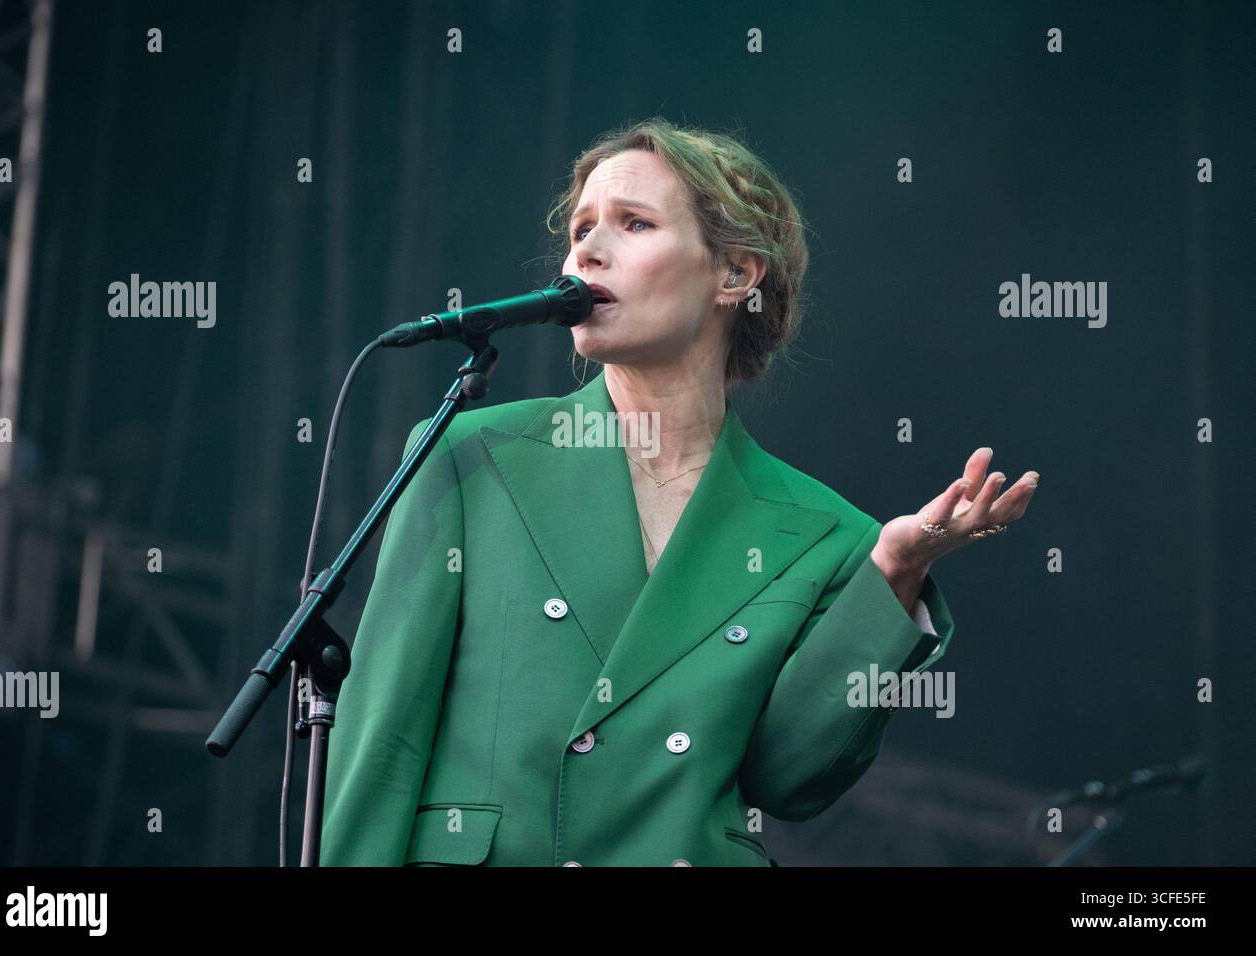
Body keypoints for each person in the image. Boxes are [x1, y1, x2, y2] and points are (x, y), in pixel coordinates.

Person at [320, 117, 1038, 866]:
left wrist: (894, 573)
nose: (588, 250)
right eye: (581, 229)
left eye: (634, 223)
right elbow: (384, 737)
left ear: (735, 274)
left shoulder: (829, 537)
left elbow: (789, 780)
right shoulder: (472, 456)